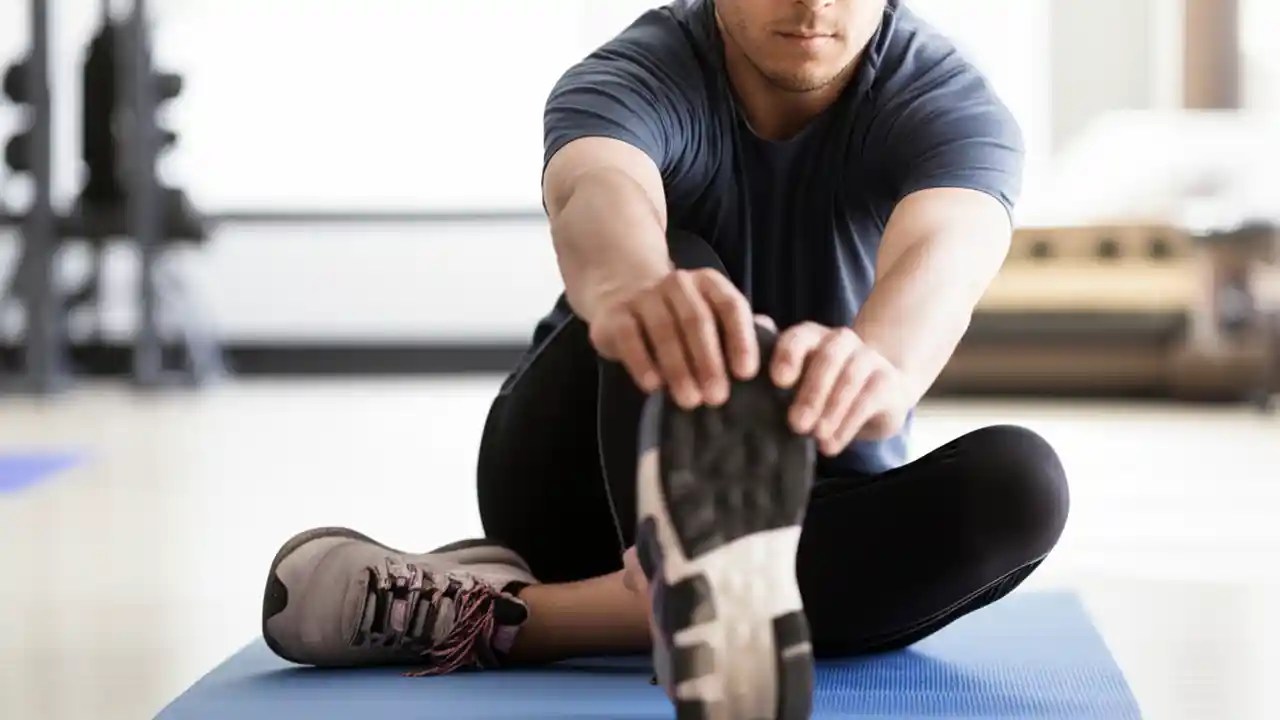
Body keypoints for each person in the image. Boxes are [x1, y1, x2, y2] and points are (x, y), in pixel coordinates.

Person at [260, 0, 1070, 717]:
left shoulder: (948, 101)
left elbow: (950, 247)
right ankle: (660, 586)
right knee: (686, 271)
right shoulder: (636, 72)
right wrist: (636, 285)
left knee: (1022, 485)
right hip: (577, 488)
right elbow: (598, 192)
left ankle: (524, 617)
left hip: (810, 513)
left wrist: (885, 358)